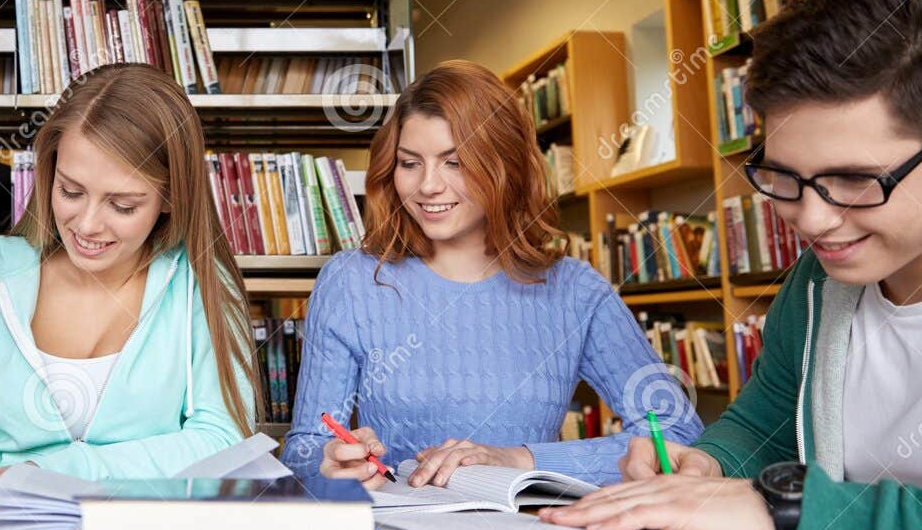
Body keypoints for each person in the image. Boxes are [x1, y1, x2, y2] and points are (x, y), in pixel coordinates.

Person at [544, 0, 922, 530]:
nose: (814, 222)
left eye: (854, 180)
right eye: (784, 177)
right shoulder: (821, 280)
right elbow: (767, 420)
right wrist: (709, 465)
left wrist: (788, 514)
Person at [0, 63, 259, 514]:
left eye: (122, 204)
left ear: (170, 198)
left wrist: (61, 473)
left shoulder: (200, 285)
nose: (87, 225)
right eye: (71, 192)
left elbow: (224, 442)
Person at [285, 60, 702, 489]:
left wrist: (519, 459)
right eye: (410, 164)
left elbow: (679, 436)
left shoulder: (575, 291)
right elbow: (303, 446)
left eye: (455, 163)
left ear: (504, 166)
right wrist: (331, 460)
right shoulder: (351, 281)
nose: (428, 186)